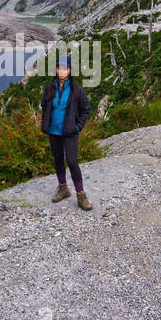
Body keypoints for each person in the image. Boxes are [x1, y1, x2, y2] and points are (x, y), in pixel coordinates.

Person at [39, 53, 92, 210]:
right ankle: (63, 189)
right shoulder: (50, 88)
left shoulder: (77, 90)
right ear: (55, 70)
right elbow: (44, 105)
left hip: (69, 133)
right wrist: (46, 122)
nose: (61, 71)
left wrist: (77, 127)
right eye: (59, 68)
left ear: (70, 71)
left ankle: (81, 195)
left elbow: (85, 110)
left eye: (65, 69)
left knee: (73, 162)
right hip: (54, 131)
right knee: (58, 160)